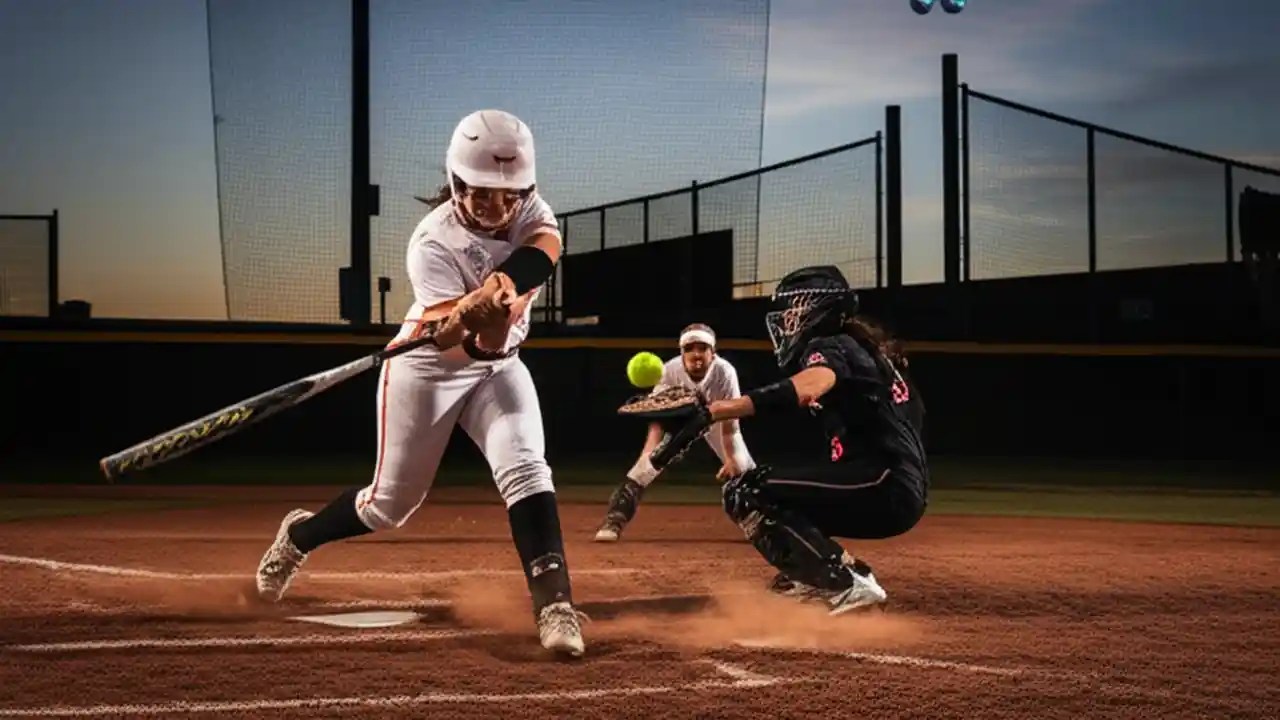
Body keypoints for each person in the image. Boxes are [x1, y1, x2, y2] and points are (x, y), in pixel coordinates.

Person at [254, 109, 587, 657]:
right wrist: (466, 316)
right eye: (482, 193)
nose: (498, 208)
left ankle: (555, 606)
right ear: (456, 183)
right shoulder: (431, 242)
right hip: (428, 368)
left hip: (497, 367)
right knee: (388, 506)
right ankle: (297, 538)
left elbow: (544, 249)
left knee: (526, 467)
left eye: (510, 195)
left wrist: (498, 291)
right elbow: (464, 339)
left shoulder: (532, 208)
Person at [655, 265, 927, 615]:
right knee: (780, 497)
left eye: (794, 309)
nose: (787, 320)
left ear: (819, 308)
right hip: (893, 484)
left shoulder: (832, 344)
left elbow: (810, 384)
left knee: (747, 491)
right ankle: (831, 575)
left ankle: (842, 584)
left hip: (883, 483)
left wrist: (714, 410)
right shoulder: (867, 351)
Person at [593, 323, 756, 542]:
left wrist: (730, 459)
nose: (696, 354)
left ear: (713, 352)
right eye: (689, 348)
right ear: (681, 353)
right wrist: (649, 454)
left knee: (745, 471)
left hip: (718, 419)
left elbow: (731, 424)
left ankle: (758, 525)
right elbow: (658, 420)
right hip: (681, 423)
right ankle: (614, 521)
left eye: (703, 347)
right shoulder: (668, 371)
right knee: (644, 468)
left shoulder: (725, 372)